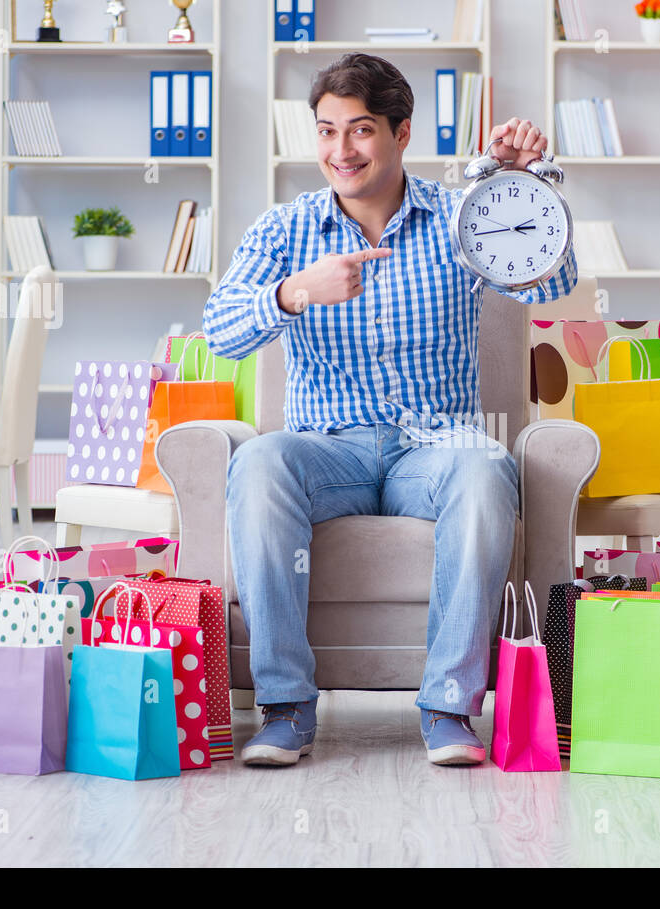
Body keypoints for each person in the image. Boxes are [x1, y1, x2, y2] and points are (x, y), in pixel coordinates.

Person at [202, 53, 577, 768]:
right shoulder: (287, 231)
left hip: (430, 449)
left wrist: (522, 185)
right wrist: (294, 292)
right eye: (326, 131)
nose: (341, 151)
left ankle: (447, 707)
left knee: (486, 464)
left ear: (403, 133)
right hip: (325, 452)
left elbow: (551, 282)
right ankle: (284, 707)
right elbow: (220, 330)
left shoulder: (456, 221)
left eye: (362, 130)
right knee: (257, 460)